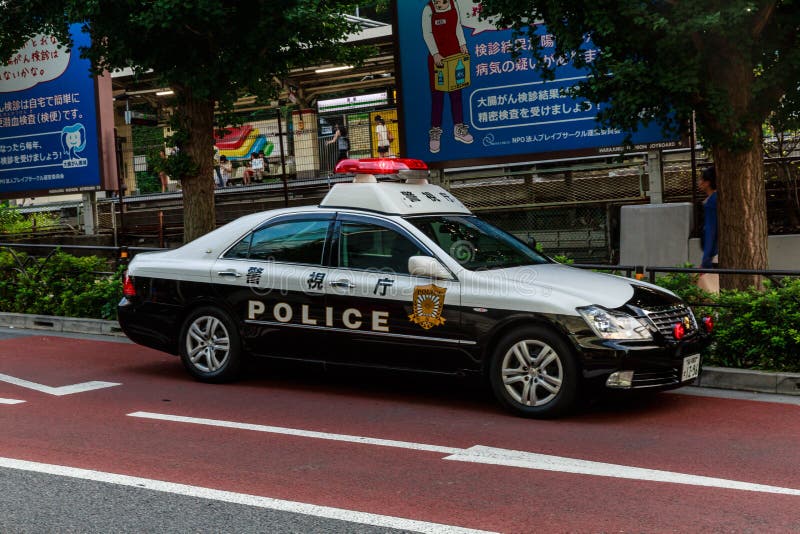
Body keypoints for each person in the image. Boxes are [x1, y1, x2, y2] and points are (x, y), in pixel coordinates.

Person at [421, 0, 474, 154]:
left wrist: (462, 44)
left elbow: (457, 25)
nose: (437, 4)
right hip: (437, 57)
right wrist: (435, 53)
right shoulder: (428, 10)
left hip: (455, 53)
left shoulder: (453, 3)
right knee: (437, 95)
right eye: (435, 2)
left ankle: (459, 128)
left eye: (439, 2)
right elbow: (427, 33)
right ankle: (435, 132)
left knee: (456, 93)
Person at [699, 166, 718, 268]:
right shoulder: (715, 199)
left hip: (713, 254)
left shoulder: (712, 202)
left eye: (702, 179)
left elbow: (710, 230)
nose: (700, 182)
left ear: (708, 182)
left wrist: (706, 258)